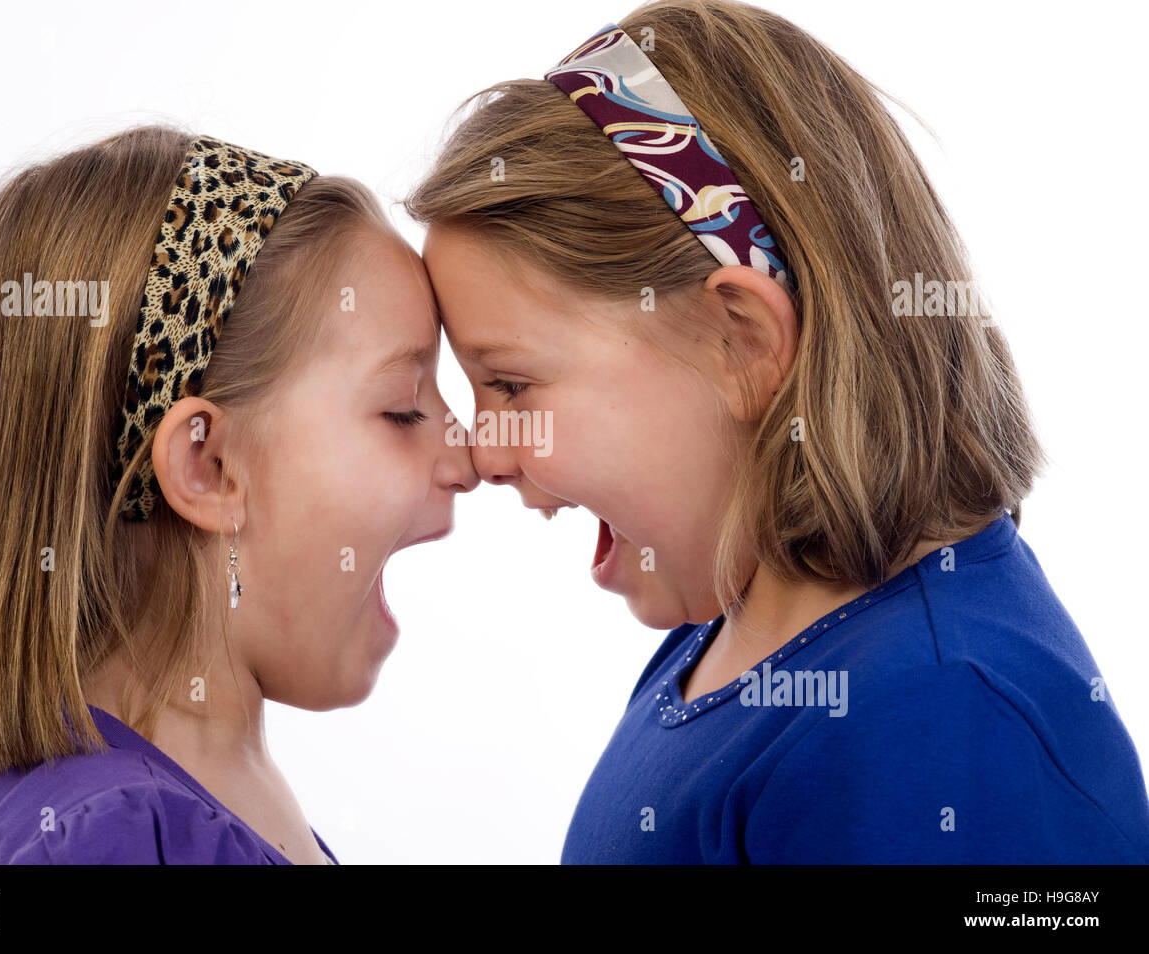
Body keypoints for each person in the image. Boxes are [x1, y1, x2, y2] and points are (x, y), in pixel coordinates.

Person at [406, 0, 1149, 862]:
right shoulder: (729, 640)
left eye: (511, 383)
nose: (481, 450)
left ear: (742, 345)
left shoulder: (944, 722)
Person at [0, 126, 478, 864]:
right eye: (404, 409)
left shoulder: (205, 796)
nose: (467, 457)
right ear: (208, 465)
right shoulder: (108, 838)